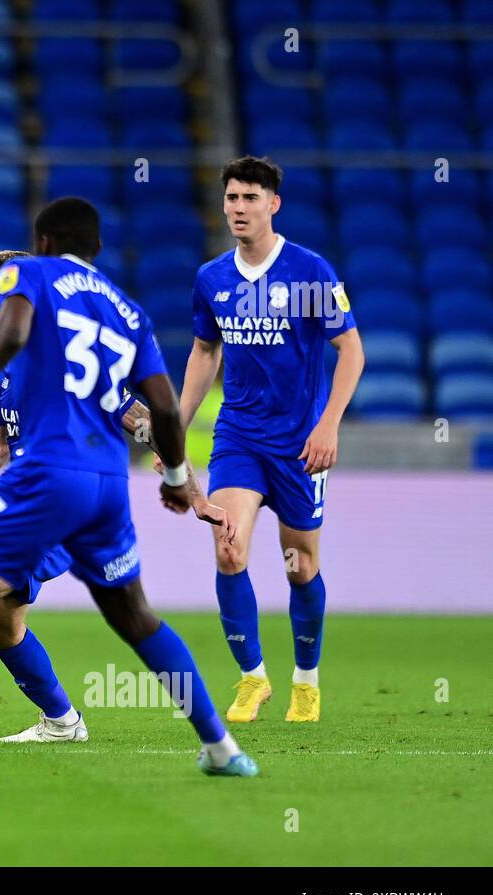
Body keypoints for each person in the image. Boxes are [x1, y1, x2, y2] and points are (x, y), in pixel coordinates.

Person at [0, 197, 256, 782]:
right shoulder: (128, 311)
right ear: (95, 247)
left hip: (46, 476)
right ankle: (221, 747)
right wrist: (178, 480)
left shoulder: (31, 276)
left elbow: (8, 333)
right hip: (106, 487)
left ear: (42, 242)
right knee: (137, 617)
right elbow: (166, 408)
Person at [179, 156, 365, 724]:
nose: (238, 208)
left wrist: (328, 423)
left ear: (272, 205)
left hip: (300, 443)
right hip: (238, 436)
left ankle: (305, 682)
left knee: (299, 566)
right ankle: (251, 680)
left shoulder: (309, 273)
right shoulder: (213, 278)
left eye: (250, 198)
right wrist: (175, 427)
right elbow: (205, 352)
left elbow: (351, 351)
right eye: (232, 198)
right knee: (228, 547)